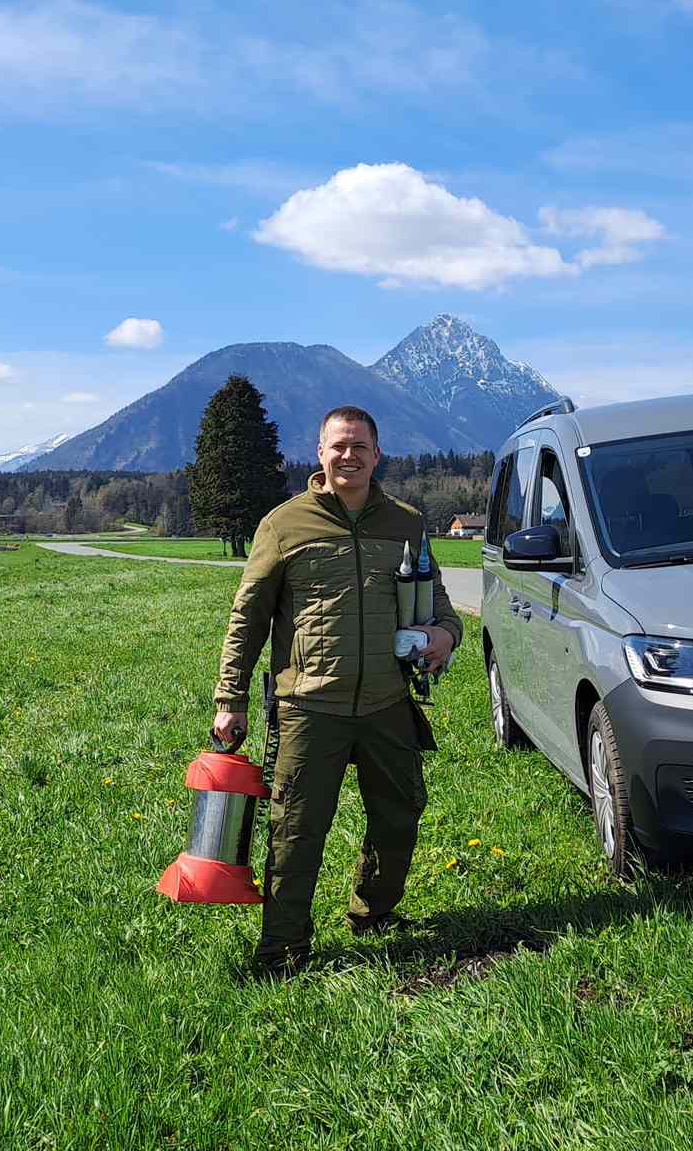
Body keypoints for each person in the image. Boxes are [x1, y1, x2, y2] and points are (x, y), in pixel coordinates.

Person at [211, 405, 459, 975]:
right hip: (307, 707)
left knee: (399, 818)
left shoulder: (406, 522)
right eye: (338, 446)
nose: (349, 456)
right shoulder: (283, 525)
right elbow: (247, 618)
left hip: (387, 703)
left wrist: (446, 634)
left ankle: (373, 911)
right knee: (295, 832)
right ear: (320, 453)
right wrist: (231, 699)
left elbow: (440, 604)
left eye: (360, 447)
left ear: (377, 454)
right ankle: (282, 947)